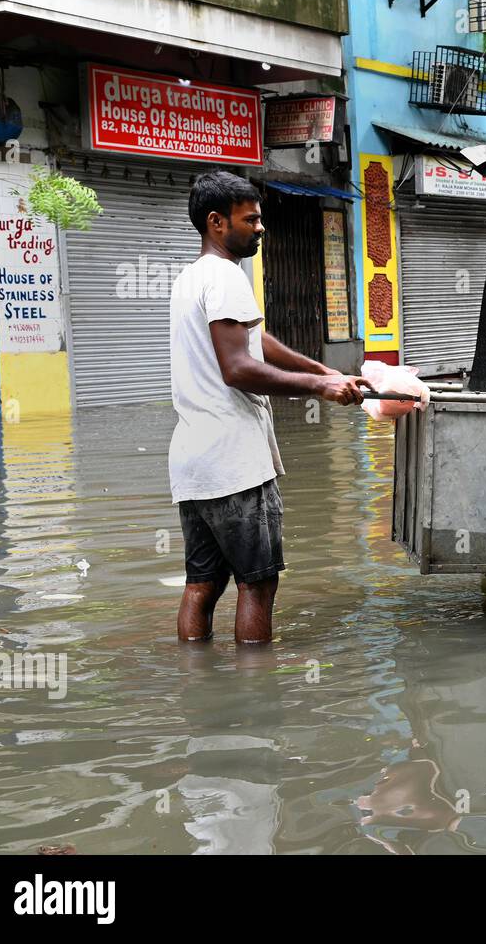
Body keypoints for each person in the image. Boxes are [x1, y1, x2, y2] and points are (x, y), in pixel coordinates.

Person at [170, 171, 372, 645]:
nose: (261, 228)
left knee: (202, 583)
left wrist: (326, 373)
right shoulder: (226, 275)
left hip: (194, 464)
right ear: (217, 223)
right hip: (233, 462)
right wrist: (319, 390)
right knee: (257, 584)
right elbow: (238, 368)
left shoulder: (191, 278)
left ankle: (197, 686)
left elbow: (255, 342)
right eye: (251, 219)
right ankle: (258, 701)